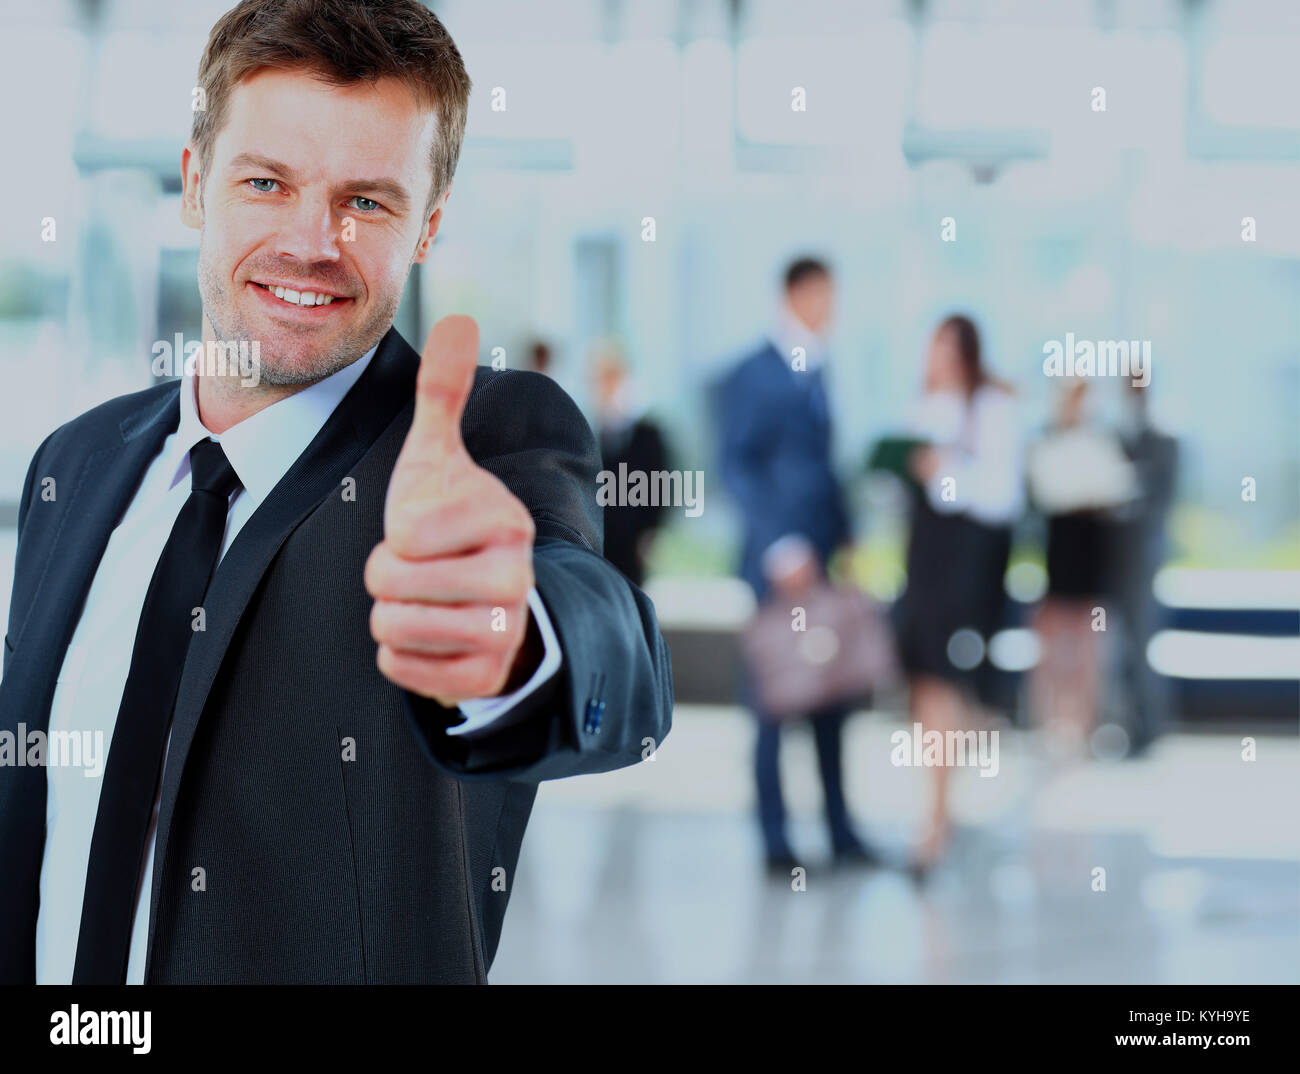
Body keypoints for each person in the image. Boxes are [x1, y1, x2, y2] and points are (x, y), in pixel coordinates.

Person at [0, 0, 672, 985]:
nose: (313, 241)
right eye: (267, 182)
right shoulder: (77, 461)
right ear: (196, 185)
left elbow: (614, 655)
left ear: (428, 225)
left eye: (367, 201)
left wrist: (517, 635)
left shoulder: (488, 441)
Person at [716, 257, 875, 875]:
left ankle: (840, 831)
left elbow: (823, 468)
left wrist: (848, 540)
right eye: (821, 296)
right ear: (793, 294)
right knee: (774, 700)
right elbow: (738, 467)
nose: (829, 308)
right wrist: (781, 544)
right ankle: (776, 841)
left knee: (832, 697)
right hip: (776, 567)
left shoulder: (818, 369)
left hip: (825, 566)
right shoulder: (751, 374)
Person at [893, 314, 1021, 877]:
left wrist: (944, 473)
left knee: (949, 686)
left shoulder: (993, 409)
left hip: (966, 567)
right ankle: (940, 808)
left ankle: (936, 822)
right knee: (928, 690)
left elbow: (998, 497)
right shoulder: (924, 408)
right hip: (922, 562)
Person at [1026, 380, 1138, 761]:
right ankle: (1052, 725)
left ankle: (1082, 727)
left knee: (1090, 649)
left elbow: (1117, 490)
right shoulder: (1047, 442)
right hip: (1061, 551)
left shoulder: (1101, 444)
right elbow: (1046, 491)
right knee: (1053, 646)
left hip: (1092, 553)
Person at [589, 340, 671, 587]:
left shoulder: (647, 435)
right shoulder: (590, 433)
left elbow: (661, 485)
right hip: (599, 541)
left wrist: (651, 532)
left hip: (633, 541)